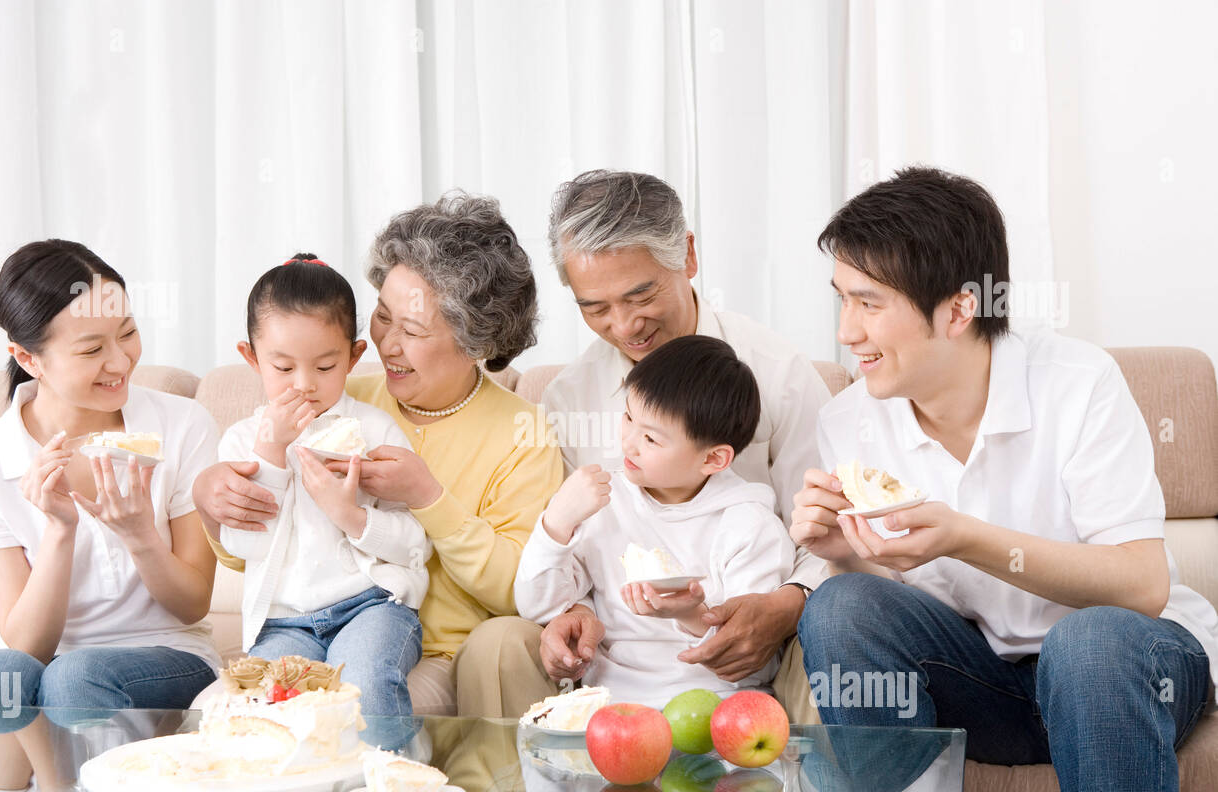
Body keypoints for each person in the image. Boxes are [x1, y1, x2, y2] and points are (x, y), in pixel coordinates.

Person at [790, 166, 1218, 792]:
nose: (846, 332)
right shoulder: (849, 421)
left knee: (1088, 646)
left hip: (1128, 672)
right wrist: (847, 551)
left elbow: (1142, 588)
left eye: (868, 304)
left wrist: (965, 537)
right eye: (841, 301)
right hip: (988, 683)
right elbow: (904, 616)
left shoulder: (1077, 385)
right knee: (841, 606)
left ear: (957, 311)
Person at [456, 169, 831, 724]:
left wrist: (786, 604)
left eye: (641, 294)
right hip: (618, 663)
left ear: (687, 257)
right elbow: (568, 554)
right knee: (495, 644)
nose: (625, 325)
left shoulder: (780, 377)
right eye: (595, 307)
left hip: (748, 649)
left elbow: (834, 533)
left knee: (831, 640)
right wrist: (571, 613)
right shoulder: (570, 397)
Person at [192, 193, 562, 719]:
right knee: (226, 714)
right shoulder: (338, 397)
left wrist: (428, 497)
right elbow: (255, 553)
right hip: (308, 629)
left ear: (473, 340)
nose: (387, 344)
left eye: (411, 331)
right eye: (383, 317)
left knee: (359, 702)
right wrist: (213, 501)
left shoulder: (522, 433)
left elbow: (517, 590)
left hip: (435, 649)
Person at [0, 238, 221, 730]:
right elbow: (27, 645)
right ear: (29, 359)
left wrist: (140, 536)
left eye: (128, 333)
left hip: (168, 652)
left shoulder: (183, 425)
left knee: (75, 676)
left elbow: (192, 604)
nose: (120, 362)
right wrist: (59, 530)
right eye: (92, 349)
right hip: (43, 655)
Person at [515, 335, 790, 707]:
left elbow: (749, 665)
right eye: (628, 417)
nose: (628, 443)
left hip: (718, 705)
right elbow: (536, 606)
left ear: (713, 460)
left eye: (651, 439)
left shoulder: (749, 526)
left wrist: (690, 614)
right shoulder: (603, 500)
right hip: (611, 707)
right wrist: (557, 523)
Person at [214, 253, 429, 727]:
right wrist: (270, 456)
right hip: (284, 621)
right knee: (264, 709)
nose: (305, 385)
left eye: (326, 366)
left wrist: (351, 516)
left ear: (353, 357)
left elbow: (416, 545)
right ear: (251, 358)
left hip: (371, 607)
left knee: (366, 686)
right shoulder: (240, 443)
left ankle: (391, 789)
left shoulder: (374, 428)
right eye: (284, 368)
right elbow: (241, 544)